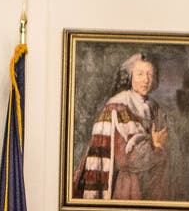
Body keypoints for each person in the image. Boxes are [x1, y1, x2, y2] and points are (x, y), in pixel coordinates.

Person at [73, 52, 170, 201]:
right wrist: (154, 145)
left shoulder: (155, 108)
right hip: (126, 186)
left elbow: (169, 148)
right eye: (140, 74)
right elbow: (127, 159)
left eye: (150, 74)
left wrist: (159, 147)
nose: (146, 80)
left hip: (152, 183)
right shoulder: (118, 106)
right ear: (130, 76)